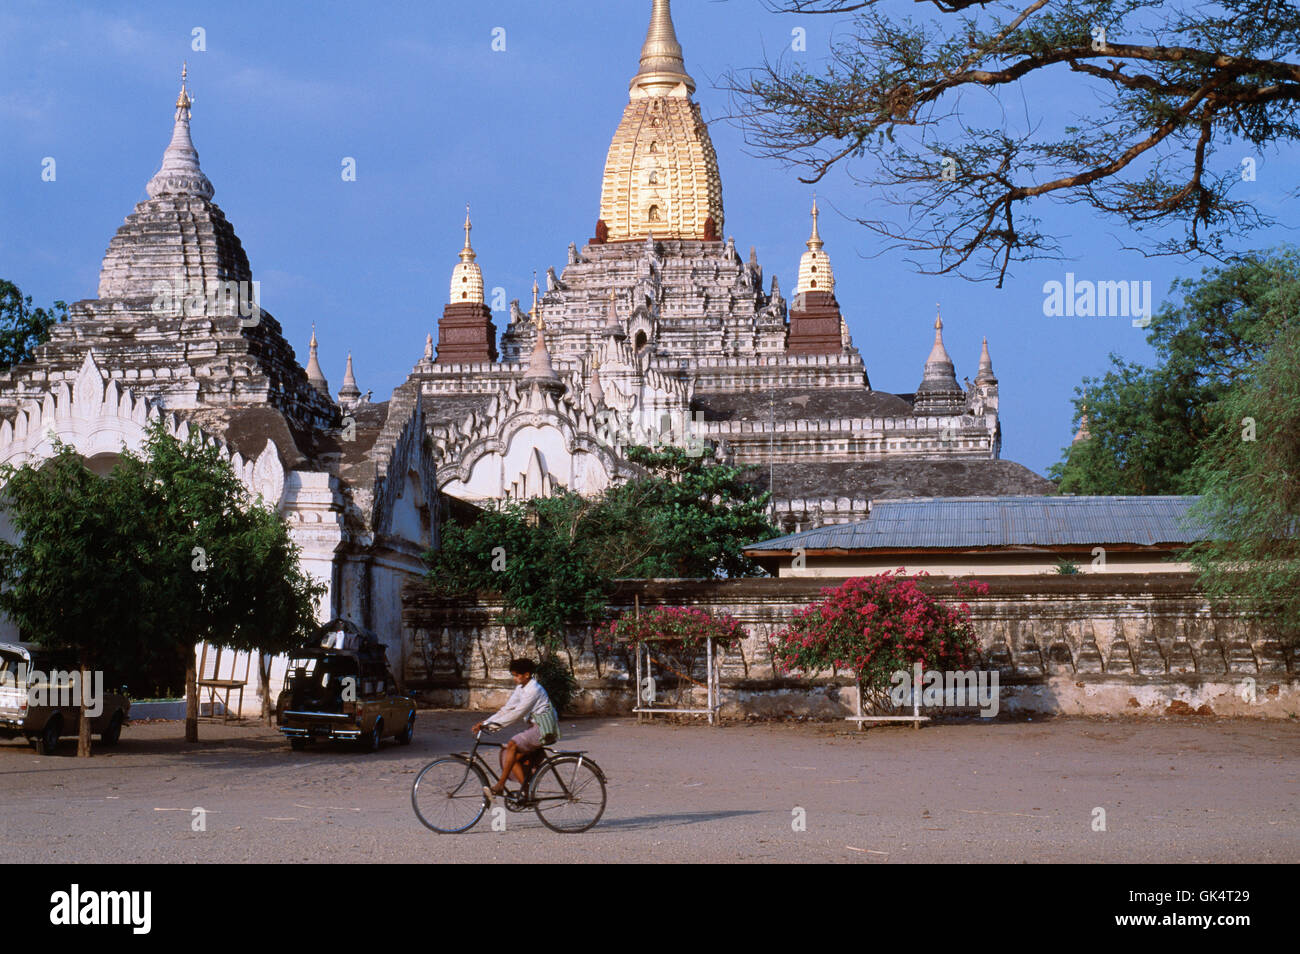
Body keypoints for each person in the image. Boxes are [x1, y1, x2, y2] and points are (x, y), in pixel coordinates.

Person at [471, 658, 560, 802]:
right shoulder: (521, 688)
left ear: (526, 674)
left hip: (544, 729)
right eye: (513, 675)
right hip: (535, 727)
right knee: (509, 757)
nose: (515, 678)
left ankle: (500, 785)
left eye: (517, 675)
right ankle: (526, 793)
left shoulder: (534, 690)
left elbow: (517, 713)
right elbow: (507, 708)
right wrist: (486, 722)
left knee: (512, 745)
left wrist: (493, 726)